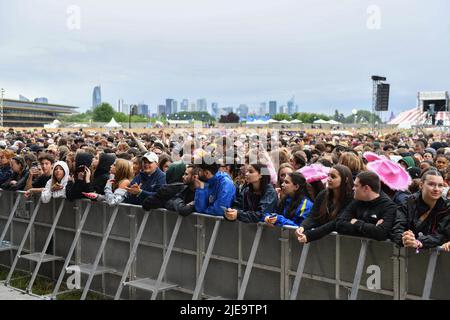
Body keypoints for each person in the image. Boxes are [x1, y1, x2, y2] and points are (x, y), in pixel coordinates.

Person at [391, 170, 450, 250]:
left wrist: (419, 242)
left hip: (434, 257)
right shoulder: (408, 202)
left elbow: (442, 235)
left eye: (440, 185)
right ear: (421, 185)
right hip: (405, 253)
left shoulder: (447, 207)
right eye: (431, 184)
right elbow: (398, 226)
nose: (436, 189)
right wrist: (405, 238)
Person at [296, 165, 354, 243]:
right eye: (328, 175)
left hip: (345, 242)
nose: (329, 179)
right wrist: (303, 227)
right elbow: (312, 216)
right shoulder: (323, 194)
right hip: (323, 242)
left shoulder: (351, 199)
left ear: (346, 179)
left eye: (333, 177)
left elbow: (335, 223)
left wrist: (310, 235)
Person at [336, 171, 397, 241]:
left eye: (356, 186)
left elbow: (381, 233)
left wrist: (356, 223)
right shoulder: (357, 201)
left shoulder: (388, 206)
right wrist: (372, 228)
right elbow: (339, 225)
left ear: (366, 188)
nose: (353, 188)